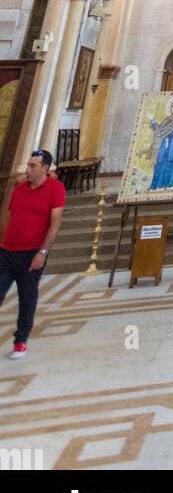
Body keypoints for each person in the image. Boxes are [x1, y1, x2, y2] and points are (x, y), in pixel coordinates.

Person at [0, 149, 66, 359]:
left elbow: (55, 224)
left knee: (27, 297)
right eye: (27, 165)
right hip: (6, 251)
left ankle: (20, 341)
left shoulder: (55, 188)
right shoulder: (19, 189)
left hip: (31, 254)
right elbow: (9, 217)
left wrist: (42, 253)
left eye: (32, 166)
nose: (28, 169)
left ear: (45, 169)